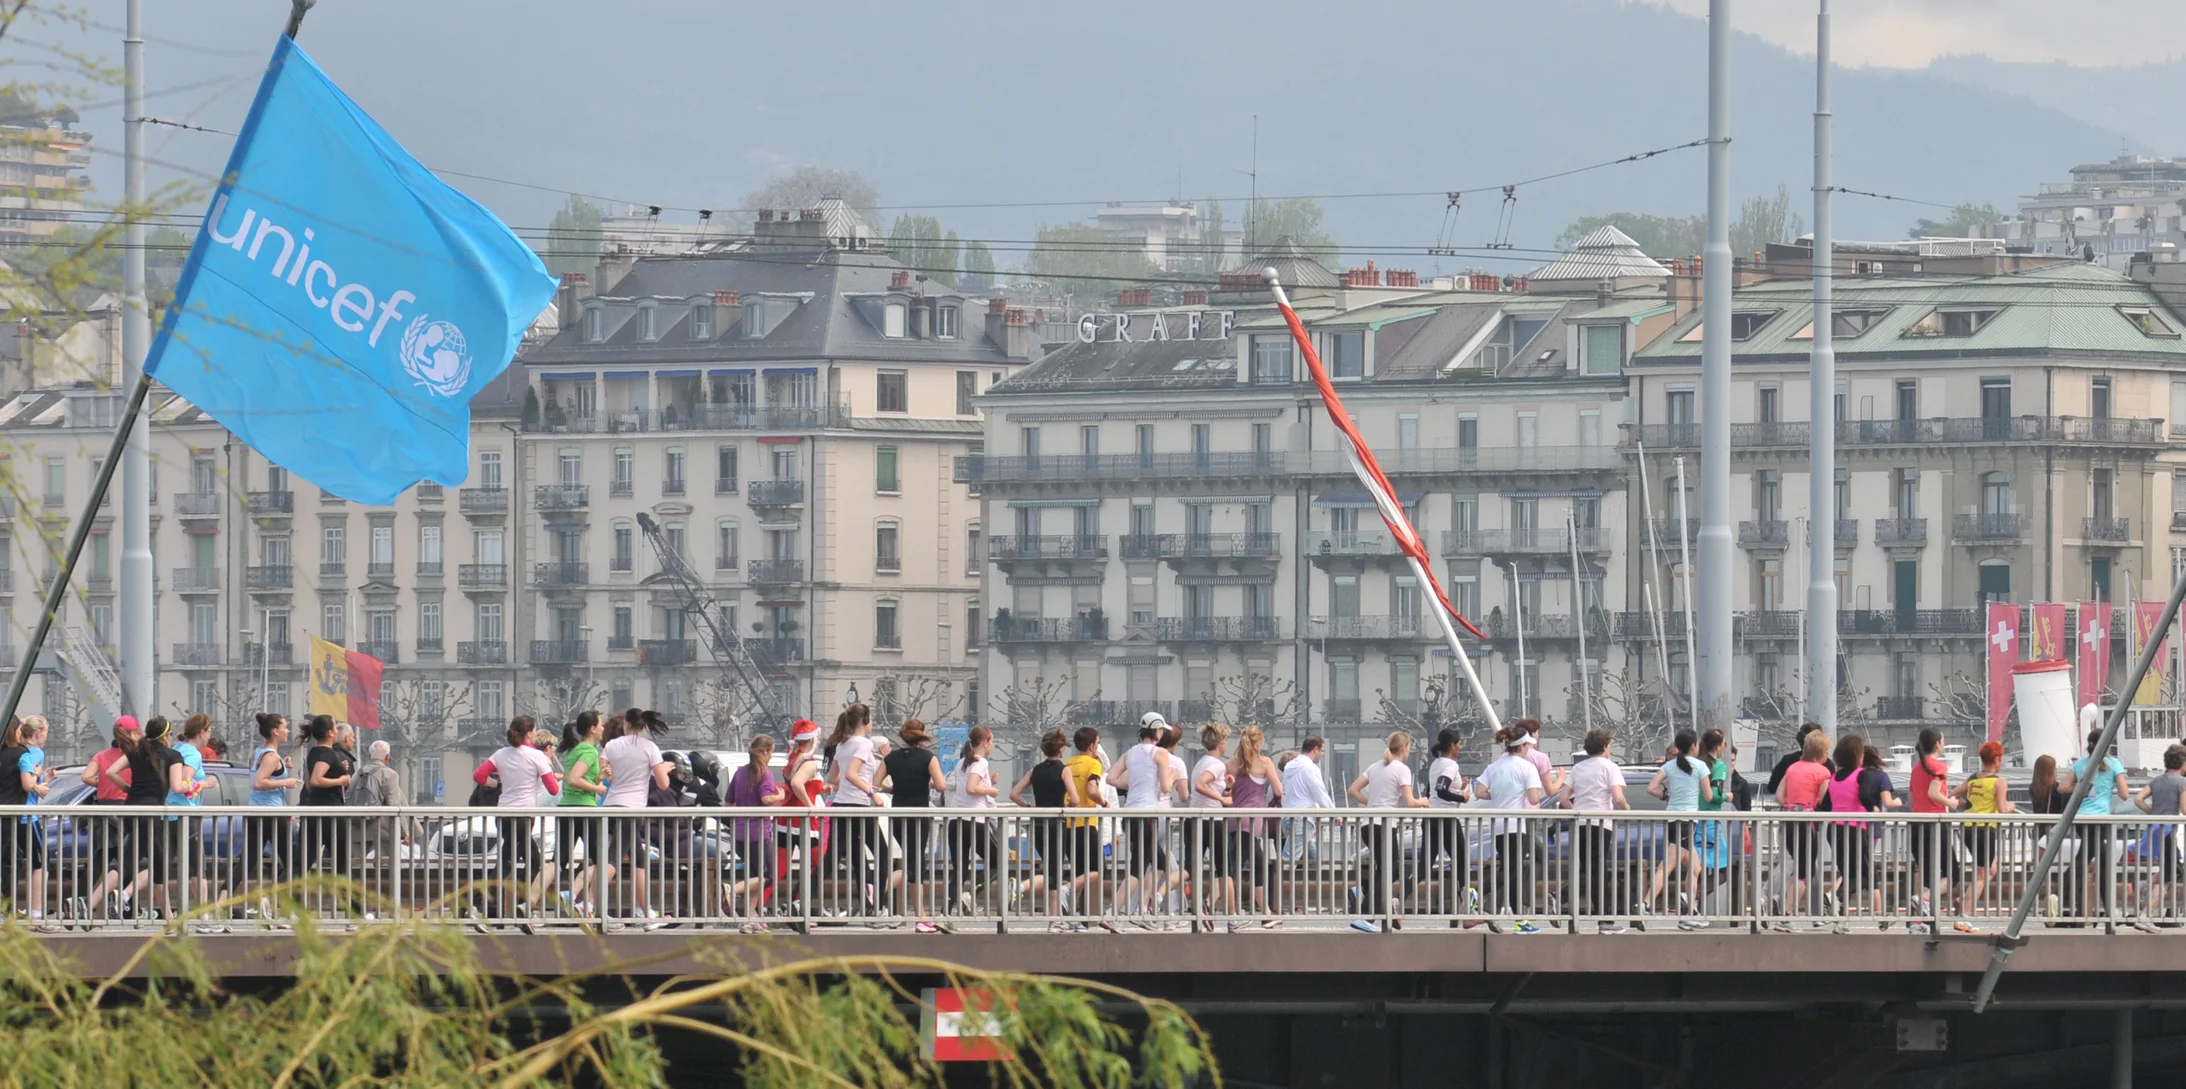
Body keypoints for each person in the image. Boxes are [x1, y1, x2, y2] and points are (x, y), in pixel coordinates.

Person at [473, 716, 560, 931]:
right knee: (519, 862)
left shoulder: (501, 754)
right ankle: (482, 906)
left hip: (503, 815)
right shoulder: (536, 757)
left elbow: (479, 775)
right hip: (523, 816)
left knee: (521, 860)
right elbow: (553, 790)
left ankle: (522, 910)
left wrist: (497, 784)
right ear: (530, 733)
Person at [1348, 731, 1429, 933]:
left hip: (1368, 824)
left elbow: (1353, 790)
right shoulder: (1401, 769)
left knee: (1384, 868)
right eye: (1409, 747)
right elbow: (1410, 803)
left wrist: (1371, 804)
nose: (1409, 751)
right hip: (1383, 825)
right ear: (1403, 749)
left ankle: (1375, 902)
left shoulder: (1375, 766)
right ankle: (1368, 915)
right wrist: (1424, 802)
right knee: (1389, 870)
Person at [601, 709, 673, 927]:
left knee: (639, 859)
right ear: (642, 726)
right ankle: (589, 902)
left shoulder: (610, 746)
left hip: (612, 805)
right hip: (632, 808)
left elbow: (604, 774)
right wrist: (663, 770)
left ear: (625, 723)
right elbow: (663, 785)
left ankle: (645, 913)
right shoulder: (649, 748)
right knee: (614, 858)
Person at [1820, 732, 1894, 931]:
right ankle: (1880, 916)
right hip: (1854, 829)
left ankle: (1839, 916)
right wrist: (1873, 809)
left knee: (1848, 873)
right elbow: (1864, 795)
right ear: (1857, 755)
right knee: (1870, 873)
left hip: (1834, 830)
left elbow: (1825, 805)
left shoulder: (1834, 777)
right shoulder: (1862, 775)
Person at [879, 719, 948, 932]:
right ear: (922, 735)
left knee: (911, 862)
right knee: (915, 865)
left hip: (898, 813)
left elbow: (876, 782)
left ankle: (916, 914)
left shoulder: (891, 758)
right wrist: (923, 782)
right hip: (919, 813)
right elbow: (941, 785)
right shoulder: (929, 758)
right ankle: (879, 892)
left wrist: (894, 789)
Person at [1106, 715, 1177, 922]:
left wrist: (1135, 785)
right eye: (1162, 730)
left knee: (1160, 862)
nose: (1163, 734)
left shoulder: (1130, 752)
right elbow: (1165, 787)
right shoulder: (1160, 753)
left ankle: (1143, 908)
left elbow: (1111, 778)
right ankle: (1112, 912)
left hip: (1130, 815)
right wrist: (1171, 777)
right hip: (1147, 814)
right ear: (1156, 731)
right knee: (1138, 867)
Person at [1475, 725, 1545, 933]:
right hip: (1516, 824)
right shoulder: (1526, 768)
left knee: (1510, 870)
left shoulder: (1494, 766)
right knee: (1512, 871)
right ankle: (1475, 893)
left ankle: (1520, 920)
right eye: (1528, 745)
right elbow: (1534, 798)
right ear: (1523, 745)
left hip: (1497, 826)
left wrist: (1497, 796)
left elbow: (1479, 791)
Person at [2060, 728, 2131, 924]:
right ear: (2107, 745)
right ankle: (2061, 895)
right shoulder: (2113, 764)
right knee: (2087, 860)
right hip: (2101, 819)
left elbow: (2062, 787)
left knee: (2100, 860)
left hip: (2083, 818)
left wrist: (2081, 786)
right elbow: (2125, 794)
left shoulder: (2080, 765)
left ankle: (2106, 909)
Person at [1010, 728, 1079, 930]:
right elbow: (1074, 799)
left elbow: (1014, 794)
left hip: (1038, 823)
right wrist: (1066, 807)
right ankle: (1054, 918)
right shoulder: (1064, 769)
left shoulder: (1035, 770)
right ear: (1062, 749)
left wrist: (1028, 806)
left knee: (1049, 867)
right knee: (1056, 870)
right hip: (1056, 824)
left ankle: (1054, 917)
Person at [1644, 728, 1711, 931]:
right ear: (1693, 746)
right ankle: (1645, 904)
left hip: (1673, 818)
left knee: (1695, 867)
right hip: (1687, 820)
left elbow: (1650, 788)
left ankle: (1689, 910)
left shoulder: (1670, 766)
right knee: (1667, 867)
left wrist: (1666, 796)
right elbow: (1708, 796)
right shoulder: (1700, 766)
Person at [79, 716, 141, 924]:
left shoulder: (101, 755)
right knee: (129, 861)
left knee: (98, 862)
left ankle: (79, 900)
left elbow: (85, 777)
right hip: (126, 810)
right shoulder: (135, 757)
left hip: (103, 811)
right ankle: (127, 908)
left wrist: (102, 784)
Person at [1565, 728, 1629, 931]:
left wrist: (1575, 811)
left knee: (1585, 868)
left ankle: (1563, 897)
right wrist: (1627, 810)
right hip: (1601, 823)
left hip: (1581, 823)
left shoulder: (1578, 769)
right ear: (1605, 746)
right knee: (1599, 870)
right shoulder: (1610, 767)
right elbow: (1617, 796)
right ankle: (1605, 918)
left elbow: (1563, 798)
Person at [824, 704, 882, 915]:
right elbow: (851, 774)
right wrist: (871, 792)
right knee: (881, 853)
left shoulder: (842, 744)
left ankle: (798, 898)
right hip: (858, 805)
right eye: (871, 719)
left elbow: (833, 778)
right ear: (865, 721)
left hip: (841, 804)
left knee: (834, 858)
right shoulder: (864, 744)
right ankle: (878, 905)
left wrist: (853, 786)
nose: (872, 723)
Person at [1773, 729, 1833, 931]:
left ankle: (1781, 904)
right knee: (1805, 870)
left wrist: (1792, 804)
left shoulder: (1792, 768)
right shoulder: (1823, 772)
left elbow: (1779, 796)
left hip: (1788, 817)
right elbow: (1826, 801)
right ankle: (1787, 912)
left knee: (1799, 866)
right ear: (1821, 752)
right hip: (1808, 820)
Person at [1952, 739, 2015, 932]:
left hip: (1968, 828)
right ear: (1997, 759)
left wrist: (1967, 804)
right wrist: (2012, 806)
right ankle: (1966, 915)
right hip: (1985, 829)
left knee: (1991, 869)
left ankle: (1963, 899)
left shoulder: (1973, 778)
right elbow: (2003, 809)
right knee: (1981, 873)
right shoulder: (1999, 781)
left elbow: (1953, 794)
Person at [121, 716, 180, 921]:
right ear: (165, 736)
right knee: (158, 864)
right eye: (171, 734)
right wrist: (199, 785)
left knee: (132, 859)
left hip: (131, 810)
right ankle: (123, 895)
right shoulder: (173, 756)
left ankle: (168, 917)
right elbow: (177, 787)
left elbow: (111, 772)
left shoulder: (136, 752)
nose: (172, 738)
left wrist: (128, 789)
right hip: (152, 812)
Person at [724, 734, 785, 930]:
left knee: (755, 875)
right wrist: (780, 796)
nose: (771, 757)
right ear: (765, 752)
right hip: (758, 832)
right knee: (768, 875)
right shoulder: (764, 772)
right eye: (771, 752)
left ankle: (749, 917)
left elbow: (729, 800)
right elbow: (766, 799)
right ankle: (731, 890)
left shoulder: (740, 772)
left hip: (740, 832)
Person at [1226, 725, 1282, 928]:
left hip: (1233, 820)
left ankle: (1265, 912)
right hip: (1251, 822)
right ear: (1258, 743)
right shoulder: (1265, 763)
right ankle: (1265, 913)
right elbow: (1278, 790)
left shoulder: (1231, 764)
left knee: (1234, 867)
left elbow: (1226, 789)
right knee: (1253, 866)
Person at [297, 715, 355, 912]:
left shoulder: (314, 752)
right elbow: (315, 780)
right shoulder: (328, 753)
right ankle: (352, 910)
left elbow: (309, 781)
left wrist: (339, 771)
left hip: (314, 811)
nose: (338, 731)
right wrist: (342, 780)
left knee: (304, 860)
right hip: (331, 813)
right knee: (341, 862)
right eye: (335, 727)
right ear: (330, 733)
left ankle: (290, 905)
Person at [772, 719, 828, 920]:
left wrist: (822, 788)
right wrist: (810, 805)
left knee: (778, 869)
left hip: (785, 820)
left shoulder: (794, 759)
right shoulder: (809, 761)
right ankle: (798, 904)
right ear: (812, 739)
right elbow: (797, 783)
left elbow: (799, 782)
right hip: (803, 822)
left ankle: (759, 906)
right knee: (816, 864)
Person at [0, 716, 53, 929]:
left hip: (6, 813)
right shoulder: (26, 754)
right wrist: (38, 779)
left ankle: (8, 910)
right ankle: (35, 914)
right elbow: (27, 784)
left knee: (8, 862)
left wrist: (40, 782)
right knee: (37, 862)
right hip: (22, 815)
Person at [556, 712, 610, 915]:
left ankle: (581, 903)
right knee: (603, 860)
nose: (604, 728)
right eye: (601, 724)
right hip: (585, 808)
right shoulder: (589, 751)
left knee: (559, 859)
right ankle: (582, 902)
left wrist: (599, 778)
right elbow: (574, 779)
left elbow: (579, 779)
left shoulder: (574, 750)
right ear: (592, 729)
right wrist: (600, 789)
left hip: (567, 806)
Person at [1906, 727, 1958, 934]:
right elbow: (1933, 793)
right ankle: (1923, 899)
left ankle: (1920, 923)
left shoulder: (1917, 768)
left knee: (1927, 875)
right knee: (1953, 873)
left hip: (1918, 823)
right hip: (1936, 823)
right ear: (1937, 743)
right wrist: (1951, 803)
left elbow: (1912, 798)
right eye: (1942, 740)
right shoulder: (1938, 767)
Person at [1063, 727, 1114, 931]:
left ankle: (1074, 915)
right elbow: (1092, 789)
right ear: (1093, 745)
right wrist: (1103, 802)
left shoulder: (1068, 763)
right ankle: (1065, 891)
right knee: (1096, 870)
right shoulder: (1093, 764)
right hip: (1087, 823)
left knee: (1079, 872)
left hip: (1069, 824)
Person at [946, 725, 1000, 917]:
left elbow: (967, 787)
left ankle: (946, 911)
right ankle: (972, 892)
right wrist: (991, 791)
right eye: (991, 740)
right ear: (985, 742)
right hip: (973, 821)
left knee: (959, 870)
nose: (992, 744)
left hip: (956, 822)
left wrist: (988, 783)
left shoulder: (961, 762)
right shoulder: (981, 763)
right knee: (998, 860)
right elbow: (971, 788)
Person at [2132, 743, 2186, 932]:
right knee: (2171, 875)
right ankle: (2146, 915)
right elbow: (2185, 809)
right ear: (2182, 762)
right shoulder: (2182, 782)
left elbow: (2138, 799)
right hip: (2168, 832)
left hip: (2154, 830)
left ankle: (2144, 885)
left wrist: (2152, 813)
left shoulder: (2157, 781)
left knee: (2173, 870)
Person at [170, 714, 216, 919]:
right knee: (198, 867)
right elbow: (183, 783)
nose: (210, 734)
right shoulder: (192, 754)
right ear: (200, 733)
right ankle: (204, 914)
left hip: (172, 814)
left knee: (174, 864)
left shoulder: (178, 749)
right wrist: (206, 784)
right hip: (186, 813)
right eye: (209, 731)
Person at [1187, 724, 1232, 928]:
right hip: (1212, 821)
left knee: (1193, 867)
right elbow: (1201, 785)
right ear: (1221, 742)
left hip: (1195, 819)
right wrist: (1222, 801)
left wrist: (1226, 788)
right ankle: (1232, 917)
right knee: (1224, 869)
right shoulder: (1217, 764)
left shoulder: (1201, 762)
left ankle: (1199, 906)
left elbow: (1205, 788)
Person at [351, 739, 404, 885]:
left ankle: (355, 900)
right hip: (383, 829)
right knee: (385, 867)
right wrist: (404, 831)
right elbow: (394, 804)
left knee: (355, 867)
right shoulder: (390, 774)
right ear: (387, 757)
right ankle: (384, 900)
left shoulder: (357, 774)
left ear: (370, 755)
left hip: (358, 826)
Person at [1280, 735, 1336, 863]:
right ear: (1315, 749)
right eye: (1321, 751)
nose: (1321, 754)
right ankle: (1279, 881)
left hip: (1288, 817)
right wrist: (1334, 812)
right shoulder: (1310, 768)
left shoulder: (1290, 766)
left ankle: (1320, 879)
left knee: (1311, 853)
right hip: (1303, 818)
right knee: (1289, 858)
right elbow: (1319, 792)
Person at [1767, 723, 1827, 799]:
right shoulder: (1826, 765)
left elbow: (1772, 788)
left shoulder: (1788, 762)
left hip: (1791, 808)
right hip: (1817, 809)